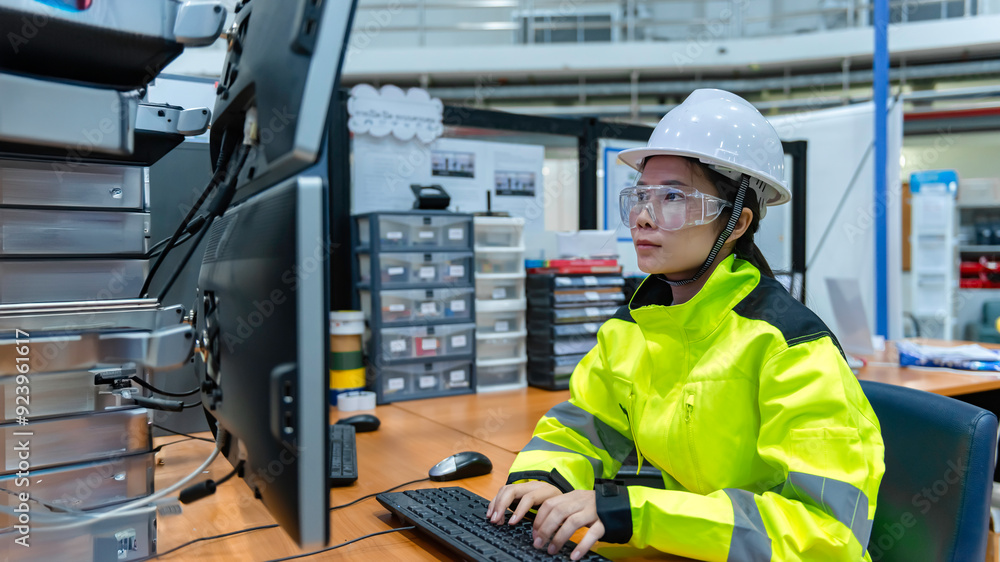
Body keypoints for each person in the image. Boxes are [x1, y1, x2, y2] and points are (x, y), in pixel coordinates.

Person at [486, 89, 885, 561]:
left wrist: (640, 513)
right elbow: (582, 428)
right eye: (640, 196)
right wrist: (540, 480)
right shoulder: (637, 326)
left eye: (673, 197)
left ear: (736, 223)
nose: (641, 217)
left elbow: (827, 533)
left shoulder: (789, 347)